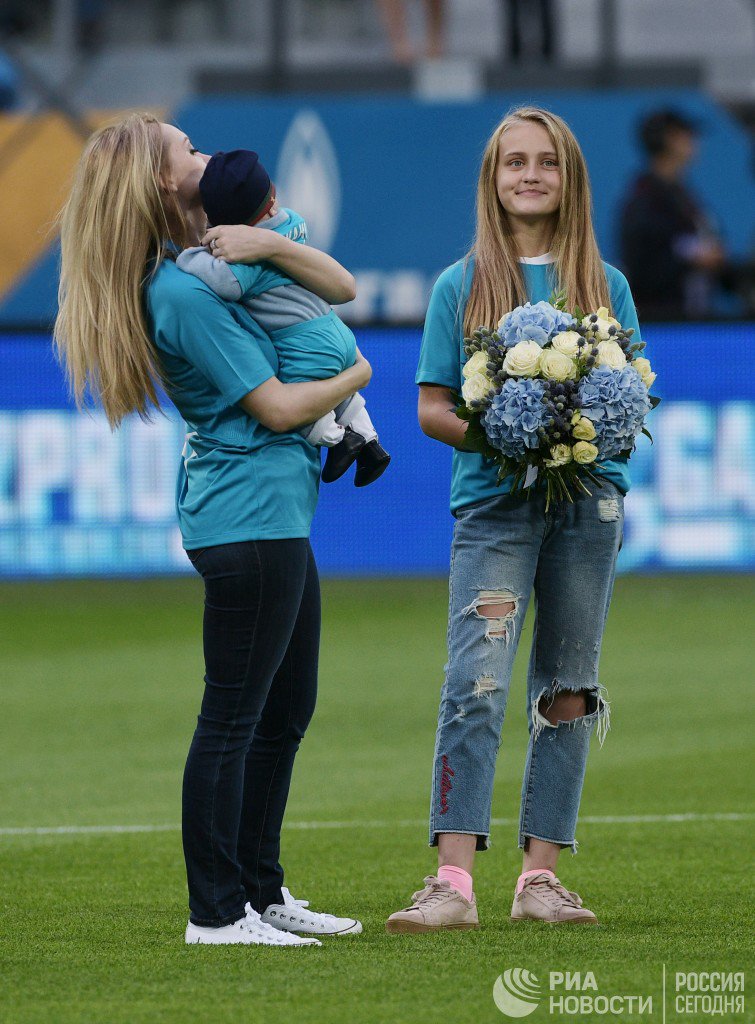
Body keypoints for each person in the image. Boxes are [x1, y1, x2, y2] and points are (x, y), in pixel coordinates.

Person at [54, 113, 370, 946]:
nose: (203, 154)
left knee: (283, 711)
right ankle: (216, 912)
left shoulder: (218, 263)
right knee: (233, 718)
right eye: (185, 149)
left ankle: (260, 893)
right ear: (163, 182)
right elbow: (273, 406)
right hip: (246, 516)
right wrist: (358, 371)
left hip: (272, 512)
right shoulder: (183, 290)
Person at [386, 106, 640, 933]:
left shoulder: (606, 284)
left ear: (571, 180)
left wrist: (574, 445)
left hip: (587, 510)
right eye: (512, 163)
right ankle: (450, 884)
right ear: (490, 181)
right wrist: (511, 443)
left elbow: (629, 403)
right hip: (494, 510)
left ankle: (541, 880)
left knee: (567, 689)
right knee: (474, 685)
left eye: (546, 163)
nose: (529, 175)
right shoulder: (460, 285)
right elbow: (429, 407)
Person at [177, 148, 390, 487]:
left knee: (303, 397)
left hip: (303, 342)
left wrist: (190, 257)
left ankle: (338, 440)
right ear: (272, 201)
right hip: (337, 332)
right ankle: (369, 440)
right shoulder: (292, 222)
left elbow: (227, 283)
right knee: (346, 397)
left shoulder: (245, 259)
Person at [619, 109, 727, 319]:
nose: (695, 142)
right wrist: (691, 261)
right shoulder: (643, 201)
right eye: (685, 134)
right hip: (664, 323)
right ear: (669, 139)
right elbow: (641, 268)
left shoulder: (683, 195)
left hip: (694, 315)